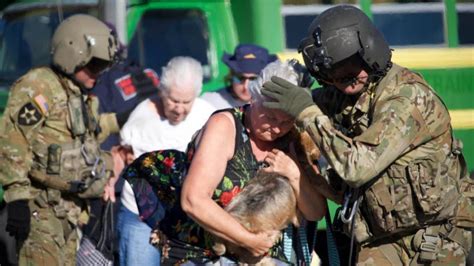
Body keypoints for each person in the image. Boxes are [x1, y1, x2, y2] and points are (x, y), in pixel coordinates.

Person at [261, 5, 473, 265]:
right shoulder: (348, 93)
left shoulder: (406, 97)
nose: (346, 79)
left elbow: (357, 168)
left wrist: (306, 112)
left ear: (370, 52)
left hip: (436, 232)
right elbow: (295, 108)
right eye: (334, 73)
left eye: (351, 66)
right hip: (380, 236)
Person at [122, 60, 326, 265]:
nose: (276, 128)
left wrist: (294, 173)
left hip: (266, 257)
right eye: (271, 117)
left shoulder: (293, 139)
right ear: (254, 98)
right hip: (205, 253)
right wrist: (249, 240)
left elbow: (315, 212)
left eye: (285, 121)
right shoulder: (224, 127)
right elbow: (193, 200)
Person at [0, 14, 124, 265]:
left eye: (103, 67)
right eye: (94, 65)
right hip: (41, 212)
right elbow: (13, 141)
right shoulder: (39, 86)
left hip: (69, 212)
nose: (98, 74)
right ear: (72, 56)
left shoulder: (77, 93)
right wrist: (17, 198)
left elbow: (84, 134)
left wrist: (120, 120)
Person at [117, 56, 215, 266]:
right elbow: (120, 153)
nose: (179, 109)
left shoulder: (208, 115)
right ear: (162, 92)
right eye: (173, 100)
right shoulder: (143, 115)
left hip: (188, 219)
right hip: (141, 215)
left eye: (186, 102)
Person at [201, 44, 278, 109]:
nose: (246, 86)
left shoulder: (274, 105)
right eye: (240, 78)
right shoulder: (209, 102)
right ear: (231, 76)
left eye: (254, 79)